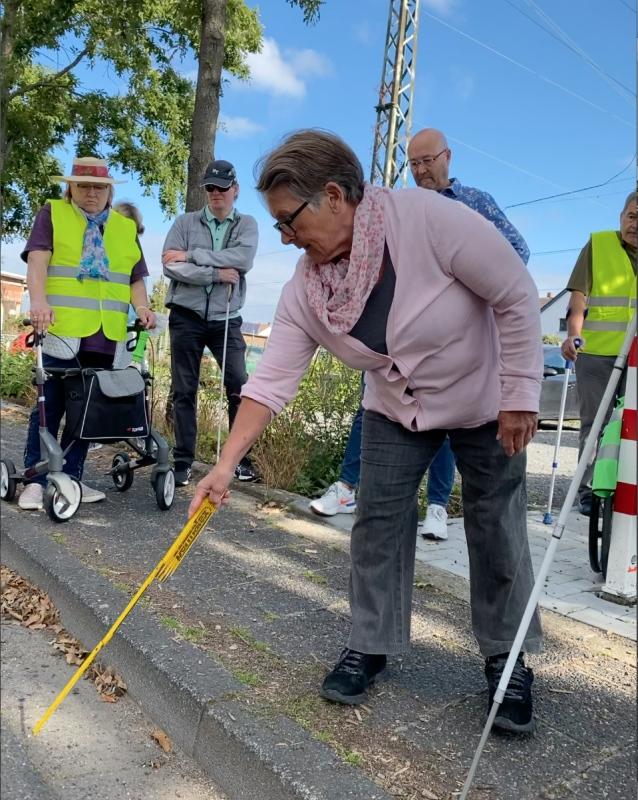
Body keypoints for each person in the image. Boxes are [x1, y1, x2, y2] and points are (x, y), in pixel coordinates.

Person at [189, 130, 543, 734]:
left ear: (332, 196)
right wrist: (223, 465)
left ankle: (506, 661)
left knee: (495, 524)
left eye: (287, 219)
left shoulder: (430, 220)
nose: (284, 235)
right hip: (395, 406)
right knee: (376, 521)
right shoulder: (308, 286)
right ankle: (371, 643)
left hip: (484, 397)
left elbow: (515, 294)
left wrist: (520, 396)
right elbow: (271, 380)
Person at [310, 127, 530, 544]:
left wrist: (466, 274)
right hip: (396, 342)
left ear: (448, 157)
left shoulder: (475, 203)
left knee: (451, 427)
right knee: (373, 407)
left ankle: (437, 507)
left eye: (428, 161)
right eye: (413, 164)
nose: (421, 171)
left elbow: (515, 256)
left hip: (460, 347)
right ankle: (348, 486)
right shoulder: (397, 209)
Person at [18, 156, 156, 511]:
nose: (91, 193)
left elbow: (135, 278)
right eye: (84, 186)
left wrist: (141, 308)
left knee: (88, 413)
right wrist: (38, 302)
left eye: (98, 187)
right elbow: (37, 261)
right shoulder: (53, 213)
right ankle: (36, 479)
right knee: (49, 406)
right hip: (61, 330)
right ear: (71, 188)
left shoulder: (125, 227)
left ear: (109, 190)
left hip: (106, 335)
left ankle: (73, 478)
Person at [162, 160, 259, 487]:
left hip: (227, 317)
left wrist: (191, 255)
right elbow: (169, 266)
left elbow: (242, 260)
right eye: (210, 188)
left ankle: (239, 460)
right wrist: (215, 273)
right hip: (186, 316)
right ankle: (183, 460)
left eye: (222, 187)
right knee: (184, 390)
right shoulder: (184, 222)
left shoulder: (247, 224)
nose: (216, 193)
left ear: (235, 189)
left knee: (240, 386)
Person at [561, 191, 636, 516]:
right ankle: (589, 490)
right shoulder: (599, 245)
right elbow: (579, 298)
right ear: (621, 216)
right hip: (598, 356)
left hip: (635, 358)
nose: (635, 224)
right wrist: (573, 335)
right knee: (597, 423)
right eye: (632, 216)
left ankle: (626, 486)